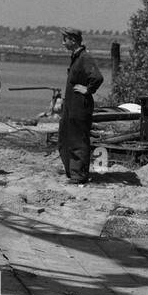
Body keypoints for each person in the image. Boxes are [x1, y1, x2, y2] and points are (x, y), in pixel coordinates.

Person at [58, 28, 104, 184]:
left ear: (73, 40)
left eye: (65, 40)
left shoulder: (85, 58)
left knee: (78, 139)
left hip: (80, 106)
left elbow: (97, 77)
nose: (63, 43)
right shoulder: (76, 58)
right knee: (65, 138)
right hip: (71, 105)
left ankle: (79, 175)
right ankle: (72, 171)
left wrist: (88, 90)